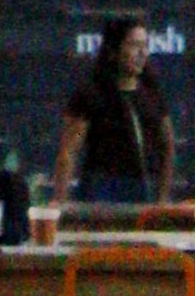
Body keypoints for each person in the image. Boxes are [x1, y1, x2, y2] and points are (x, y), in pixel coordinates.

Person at [57, 17, 172, 207]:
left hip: (145, 190)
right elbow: (70, 149)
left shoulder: (151, 94)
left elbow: (167, 146)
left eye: (145, 45)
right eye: (134, 45)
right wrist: (60, 202)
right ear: (113, 50)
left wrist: (162, 200)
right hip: (101, 192)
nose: (142, 53)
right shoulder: (91, 94)